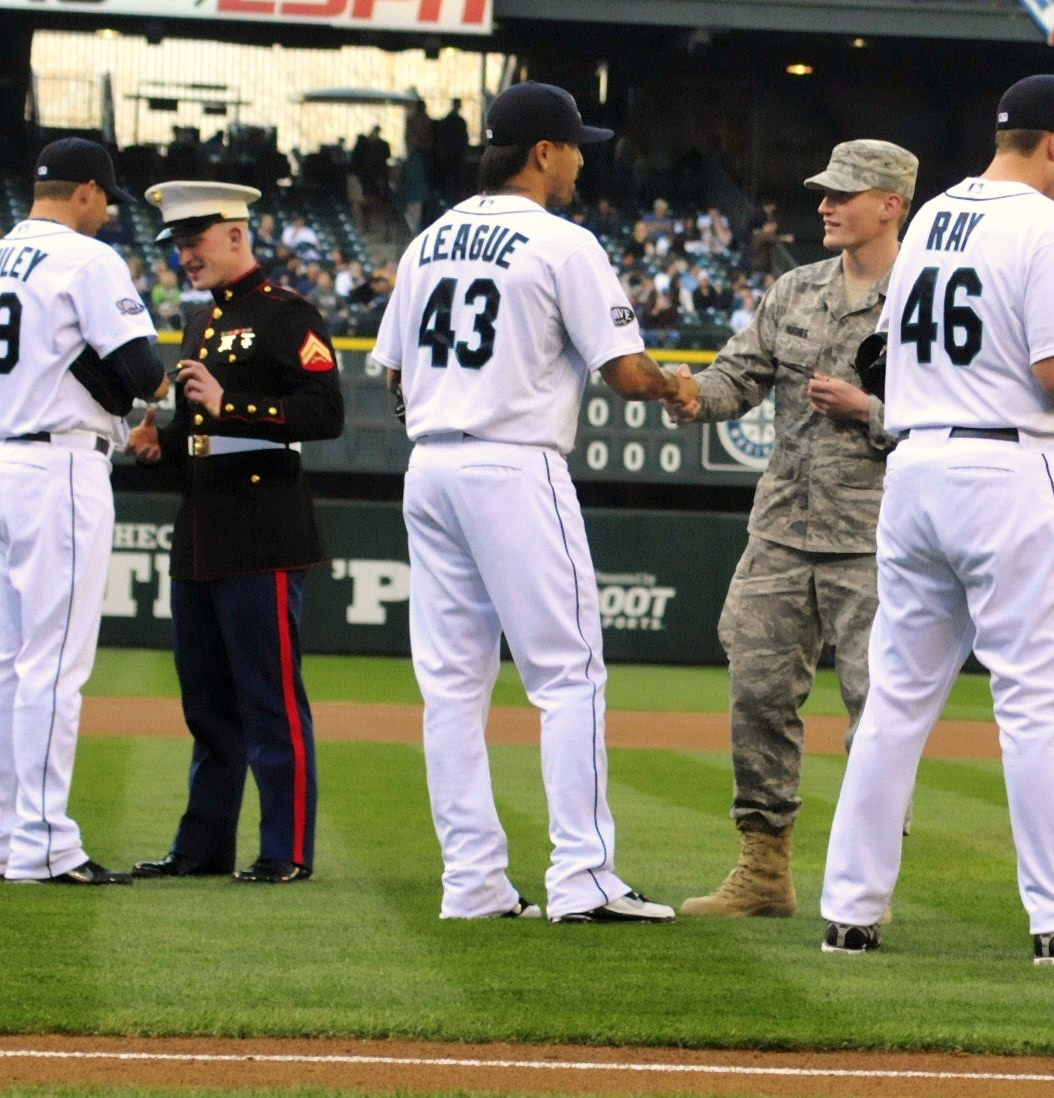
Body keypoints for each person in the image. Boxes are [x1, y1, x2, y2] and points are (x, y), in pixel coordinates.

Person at [816, 76, 1054, 963]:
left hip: (916, 466)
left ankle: (849, 911)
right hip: (1006, 467)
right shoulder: (1052, 225)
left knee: (895, 701)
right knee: (1033, 702)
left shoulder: (931, 216)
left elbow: (881, 354)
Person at [370, 81, 692, 923]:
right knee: (568, 674)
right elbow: (626, 374)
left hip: (431, 466)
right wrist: (674, 384)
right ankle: (583, 877)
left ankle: (472, 884)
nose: (583, 161)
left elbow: (394, 374)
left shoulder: (429, 240)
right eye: (576, 146)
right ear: (543, 152)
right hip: (513, 464)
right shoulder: (560, 241)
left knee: (451, 688)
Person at [665, 141, 917, 919]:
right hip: (781, 529)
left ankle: (866, 883)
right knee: (758, 693)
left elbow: (957, 418)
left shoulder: (926, 298)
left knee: (881, 713)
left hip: (877, 536)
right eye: (824, 192)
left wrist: (869, 410)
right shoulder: (796, 288)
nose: (825, 205)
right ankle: (763, 872)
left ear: (891, 205)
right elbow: (737, 375)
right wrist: (690, 394)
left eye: (844, 194)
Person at [0, 139, 167, 885]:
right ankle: (44, 844)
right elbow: (144, 372)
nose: (107, 213)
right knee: (53, 664)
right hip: (58, 465)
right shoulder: (87, 258)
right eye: (105, 199)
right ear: (85, 192)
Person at [127, 180, 343, 885]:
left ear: (235, 235)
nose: (184, 256)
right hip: (202, 528)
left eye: (194, 241)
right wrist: (160, 444)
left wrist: (232, 404)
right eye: (178, 245)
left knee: (270, 700)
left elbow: (326, 413)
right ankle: (202, 846)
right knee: (207, 704)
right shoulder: (201, 322)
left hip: (261, 528)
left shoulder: (288, 314)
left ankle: (286, 850)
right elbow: (200, 427)